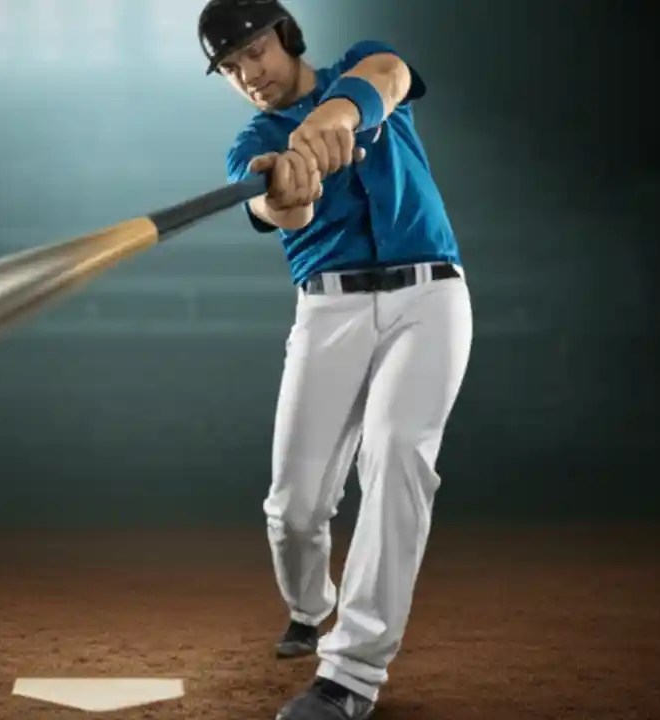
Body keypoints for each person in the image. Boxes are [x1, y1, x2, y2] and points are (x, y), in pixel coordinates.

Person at [196, 1, 474, 718]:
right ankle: (308, 604)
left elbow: (389, 75)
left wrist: (333, 120)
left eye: (254, 51)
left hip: (430, 297)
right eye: (229, 67)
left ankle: (350, 675)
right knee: (294, 509)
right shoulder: (252, 142)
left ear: (284, 35)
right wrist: (285, 190)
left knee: (397, 453)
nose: (247, 74)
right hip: (329, 312)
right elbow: (276, 213)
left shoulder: (360, 62)